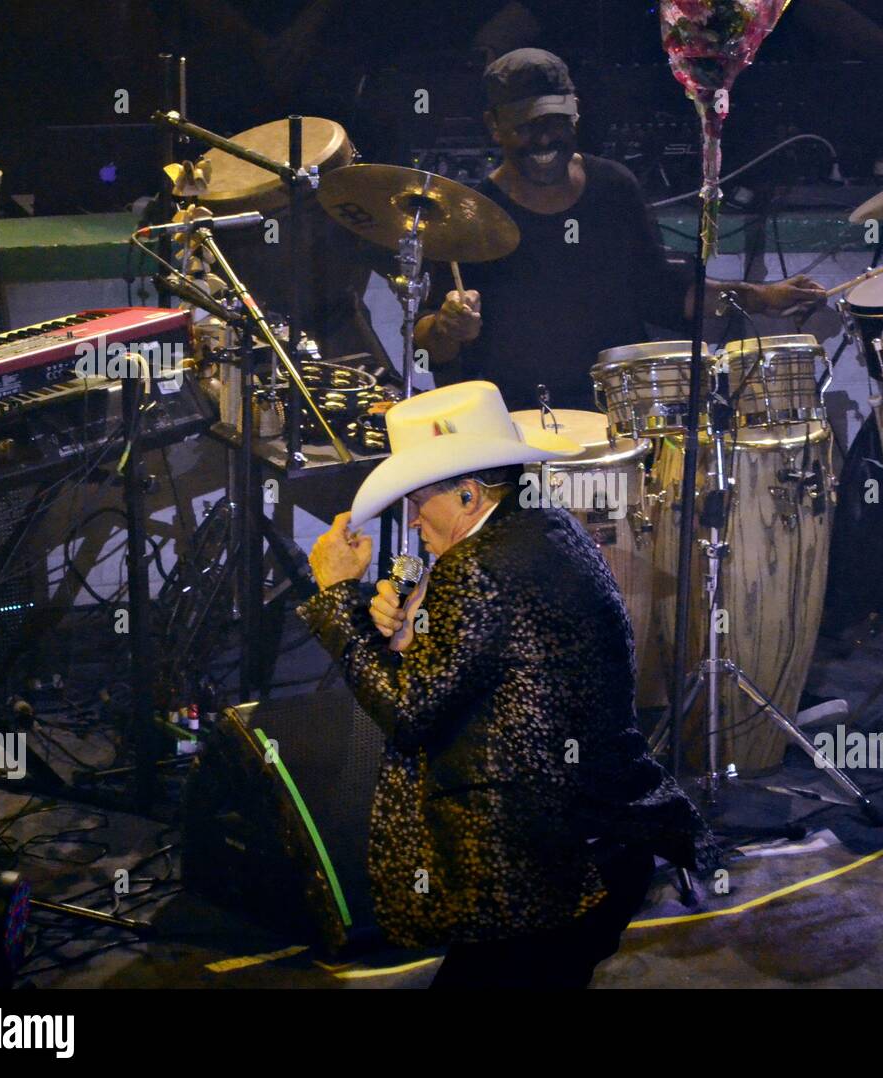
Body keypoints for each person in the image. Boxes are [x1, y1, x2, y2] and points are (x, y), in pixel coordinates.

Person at [298, 381, 714, 986]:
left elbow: (409, 711)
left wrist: (336, 600)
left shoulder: (477, 567)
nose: (412, 519)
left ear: (468, 493)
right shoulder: (549, 530)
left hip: (547, 874)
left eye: (419, 500)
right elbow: (483, 671)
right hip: (591, 850)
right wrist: (398, 626)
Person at [414, 47, 826, 413]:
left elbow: (663, 292)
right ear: (493, 126)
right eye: (525, 126)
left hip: (615, 413)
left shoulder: (612, 187)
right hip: (511, 421)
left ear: (575, 114)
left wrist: (761, 298)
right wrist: (448, 327)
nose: (544, 138)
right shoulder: (465, 215)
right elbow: (426, 346)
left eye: (555, 121)